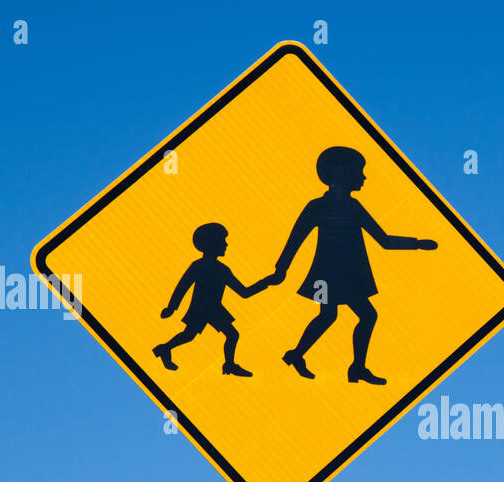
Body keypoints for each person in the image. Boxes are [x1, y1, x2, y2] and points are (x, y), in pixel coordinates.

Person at [258, 146, 437, 385]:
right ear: (341, 172)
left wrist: (416, 244)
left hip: (349, 275)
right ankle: (343, 365)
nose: (363, 177)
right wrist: (281, 269)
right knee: (349, 315)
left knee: (340, 315)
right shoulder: (317, 206)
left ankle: (305, 357)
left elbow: (383, 240)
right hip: (329, 274)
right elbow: (296, 238)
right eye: (359, 171)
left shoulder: (354, 207)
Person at [153, 223, 265, 377]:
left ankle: (164, 349)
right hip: (201, 308)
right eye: (222, 241)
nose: (226, 244)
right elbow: (183, 286)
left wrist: (266, 282)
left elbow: (244, 292)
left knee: (201, 335)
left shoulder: (223, 269)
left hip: (213, 309)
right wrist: (172, 307)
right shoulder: (199, 266)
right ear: (211, 244)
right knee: (197, 335)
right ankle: (165, 349)